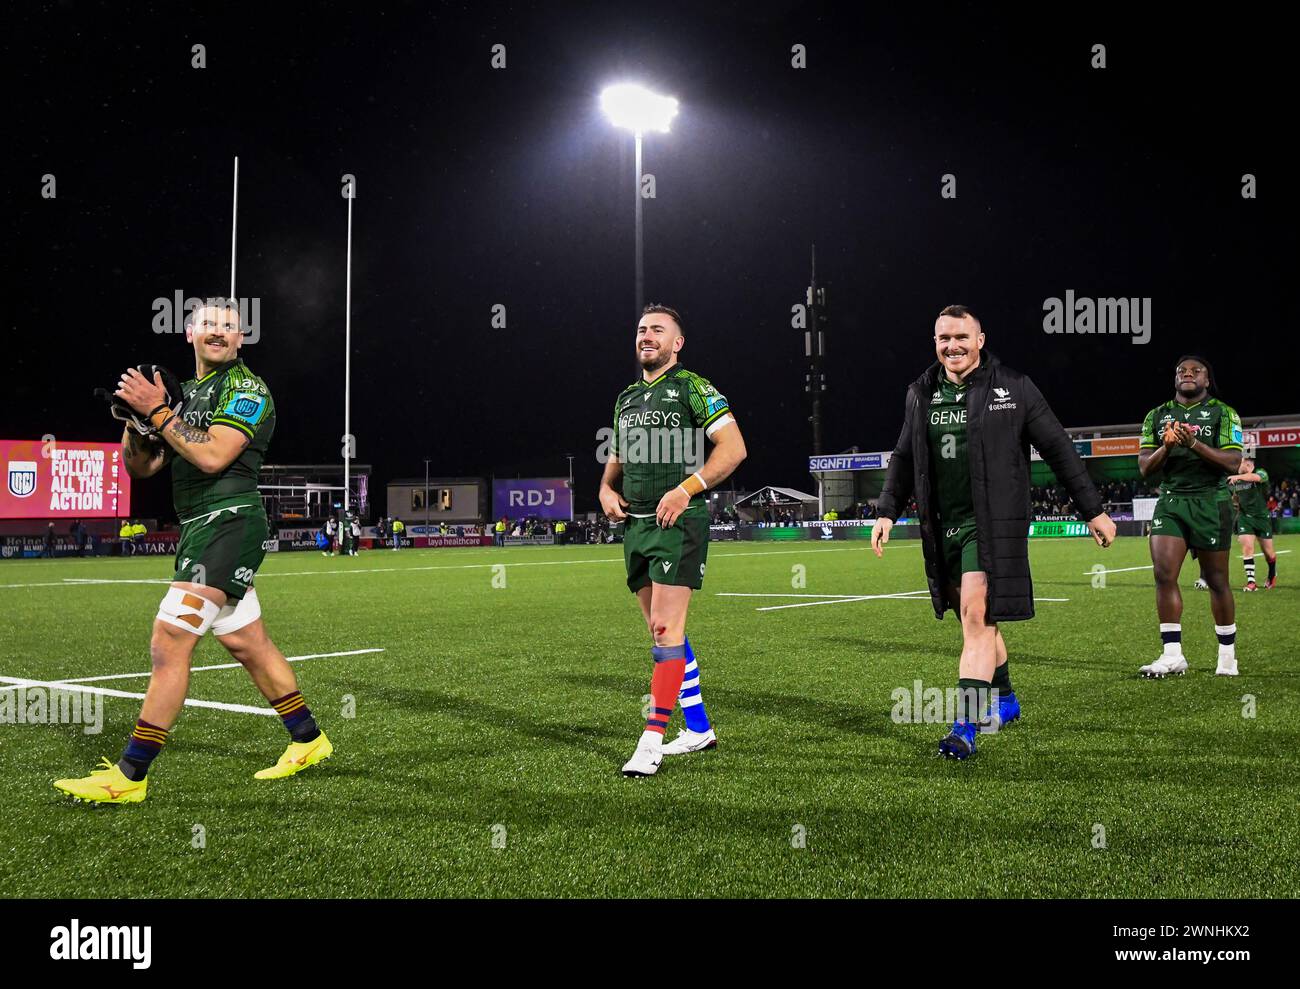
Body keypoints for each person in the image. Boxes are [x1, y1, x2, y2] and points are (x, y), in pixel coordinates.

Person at [54, 298, 331, 804]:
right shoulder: (185, 395)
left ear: (242, 338)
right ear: (190, 333)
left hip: (229, 522)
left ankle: (130, 776)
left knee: (169, 642)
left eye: (229, 326)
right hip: (199, 527)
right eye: (209, 325)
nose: (219, 332)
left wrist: (156, 412)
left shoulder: (246, 389)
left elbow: (212, 455)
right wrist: (139, 424)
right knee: (250, 645)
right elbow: (141, 469)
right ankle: (309, 739)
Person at [872, 305, 1115, 759]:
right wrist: (886, 511)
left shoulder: (1014, 388)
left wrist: (1092, 510)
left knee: (976, 617)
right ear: (935, 343)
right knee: (978, 620)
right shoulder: (921, 392)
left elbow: (1059, 448)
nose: (953, 346)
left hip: (993, 525)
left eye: (962, 337)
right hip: (942, 526)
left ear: (980, 340)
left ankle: (965, 726)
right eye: (944, 338)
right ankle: (1006, 699)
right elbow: (904, 456)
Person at [600, 304, 747, 777]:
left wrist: (686, 490)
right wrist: (605, 487)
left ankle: (650, 740)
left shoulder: (693, 388)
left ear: (676, 343)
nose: (647, 336)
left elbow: (734, 448)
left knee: (666, 631)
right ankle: (699, 727)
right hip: (636, 525)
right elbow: (618, 454)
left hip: (678, 524)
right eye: (642, 329)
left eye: (658, 330)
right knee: (664, 632)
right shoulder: (625, 398)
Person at [1137, 355, 1243, 678]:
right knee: (1164, 574)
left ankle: (1227, 656)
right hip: (1171, 500)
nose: (1188, 374)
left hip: (1211, 500)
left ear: (1207, 380)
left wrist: (1193, 443)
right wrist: (1167, 447)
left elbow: (1233, 462)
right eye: (1182, 371)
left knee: (1216, 580)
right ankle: (1172, 655)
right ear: (1175, 380)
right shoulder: (1157, 416)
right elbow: (1144, 467)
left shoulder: (1224, 413)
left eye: (1196, 371)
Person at [1227, 457, 1276, 591]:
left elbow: (1256, 478)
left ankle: (1272, 574)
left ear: (1249, 465)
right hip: (1245, 517)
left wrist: (1237, 477)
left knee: (1269, 554)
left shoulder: (1260, 472)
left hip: (1262, 518)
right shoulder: (1237, 481)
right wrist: (1235, 502)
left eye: (1241, 462)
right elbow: (1236, 499)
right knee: (1247, 547)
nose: (1238, 465)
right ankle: (1251, 582)